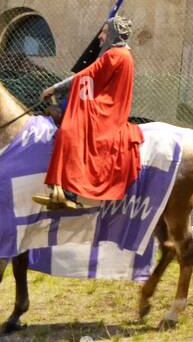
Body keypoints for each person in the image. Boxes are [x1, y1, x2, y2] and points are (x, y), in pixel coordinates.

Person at [36, 16, 142, 209]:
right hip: (106, 104)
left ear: (113, 33)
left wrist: (54, 89)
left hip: (107, 109)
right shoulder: (122, 54)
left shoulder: (115, 55)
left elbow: (85, 76)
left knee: (70, 131)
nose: (100, 37)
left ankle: (69, 192)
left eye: (103, 32)